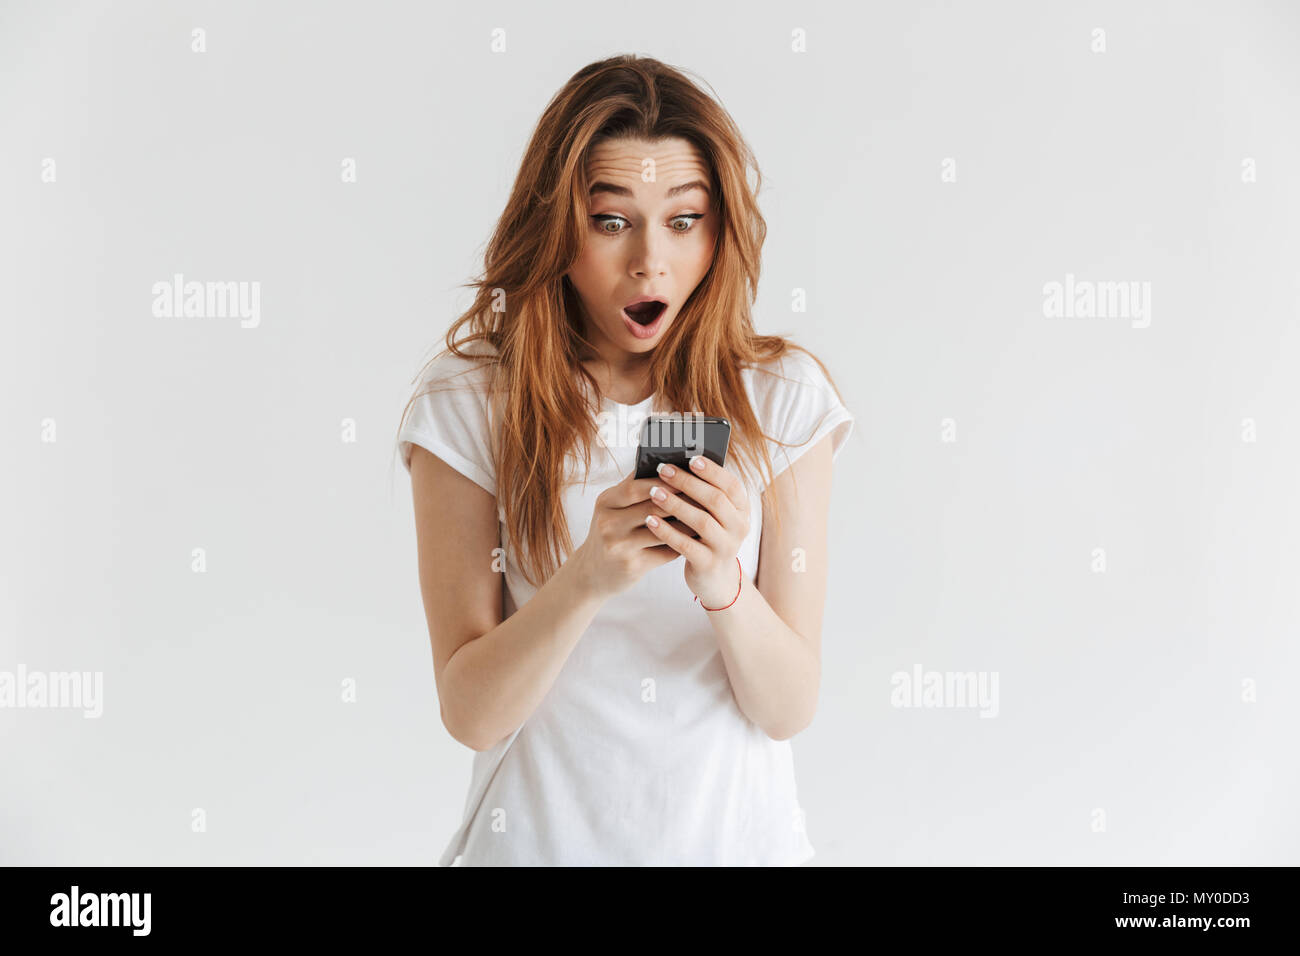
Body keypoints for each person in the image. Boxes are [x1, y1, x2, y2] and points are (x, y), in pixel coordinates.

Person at [395, 54, 854, 866]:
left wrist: (723, 583)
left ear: (719, 230)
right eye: (611, 222)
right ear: (556, 228)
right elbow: (471, 713)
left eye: (684, 220)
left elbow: (787, 708)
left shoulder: (781, 398)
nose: (650, 261)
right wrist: (586, 579)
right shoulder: (470, 400)